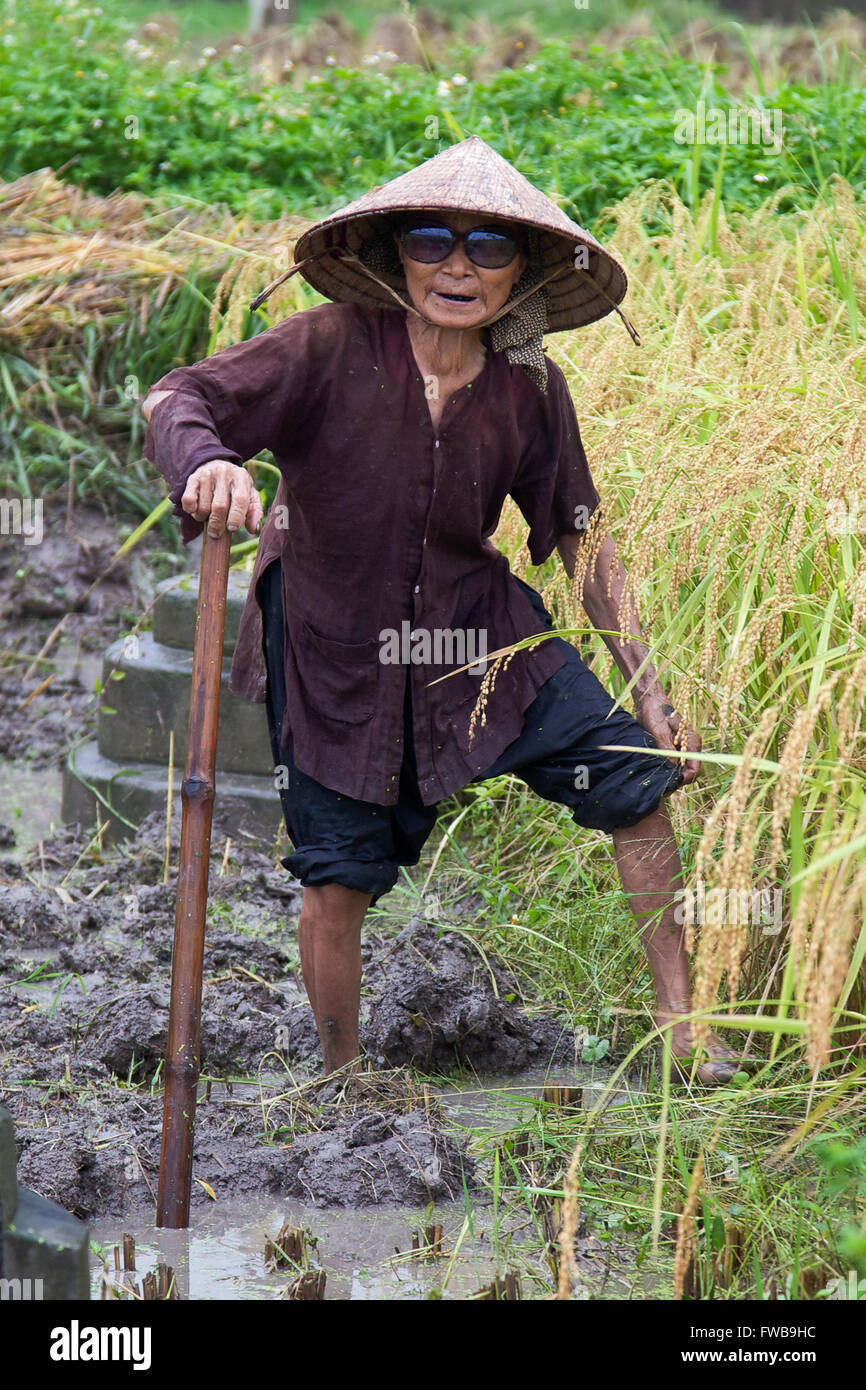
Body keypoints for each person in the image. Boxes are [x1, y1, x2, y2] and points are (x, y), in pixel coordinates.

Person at [143, 136, 744, 1085]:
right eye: (432, 240)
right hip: (336, 641)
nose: (457, 266)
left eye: (488, 248)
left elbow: (578, 531)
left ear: (522, 273)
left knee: (634, 782)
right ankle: (343, 1077)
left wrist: (647, 682)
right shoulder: (327, 343)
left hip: (480, 639)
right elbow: (180, 396)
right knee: (340, 873)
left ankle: (685, 1029)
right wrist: (209, 463)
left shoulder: (530, 383)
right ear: (396, 256)